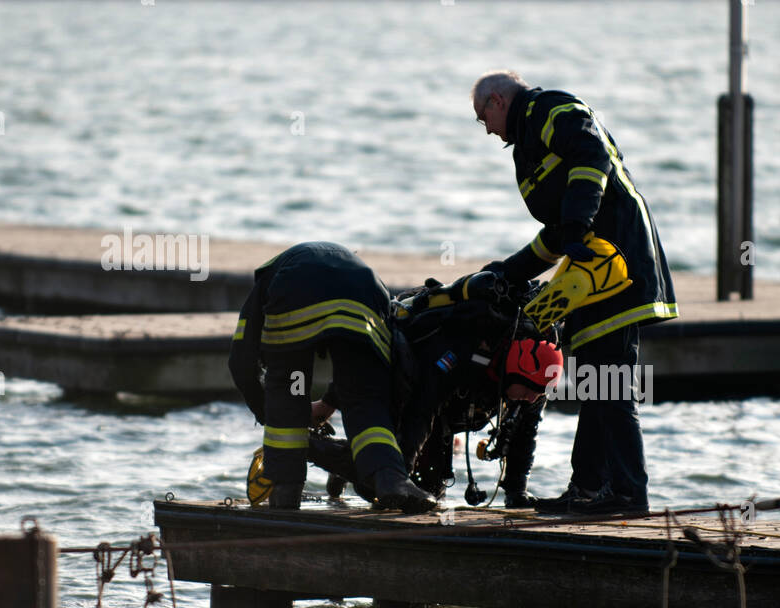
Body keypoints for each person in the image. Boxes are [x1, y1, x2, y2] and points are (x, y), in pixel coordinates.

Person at [471, 70, 677, 516]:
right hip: (589, 272)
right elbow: (556, 233)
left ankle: (628, 495)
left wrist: (579, 224)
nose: (485, 129)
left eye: (481, 117)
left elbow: (592, 155)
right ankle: (587, 489)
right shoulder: (527, 145)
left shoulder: (549, 108)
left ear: (496, 100)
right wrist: (511, 271)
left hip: (615, 264)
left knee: (613, 386)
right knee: (597, 383)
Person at [304, 275, 562, 507]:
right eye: (529, 390)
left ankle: (352, 457)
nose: (531, 398)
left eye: (539, 393)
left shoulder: (533, 386)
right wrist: (398, 478)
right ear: (513, 371)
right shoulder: (461, 354)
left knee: (430, 495)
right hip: (408, 391)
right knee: (378, 484)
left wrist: (517, 491)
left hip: (445, 417)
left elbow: (526, 434)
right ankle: (304, 445)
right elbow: (422, 411)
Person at [228, 241, 436, 513]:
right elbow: (360, 372)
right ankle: (391, 478)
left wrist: (266, 412)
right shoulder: (353, 269)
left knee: (290, 390)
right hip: (366, 292)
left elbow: (240, 364)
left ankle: (286, 491)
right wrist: (327, 404)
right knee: (365, 397)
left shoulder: (267, 281)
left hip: (296, 290)